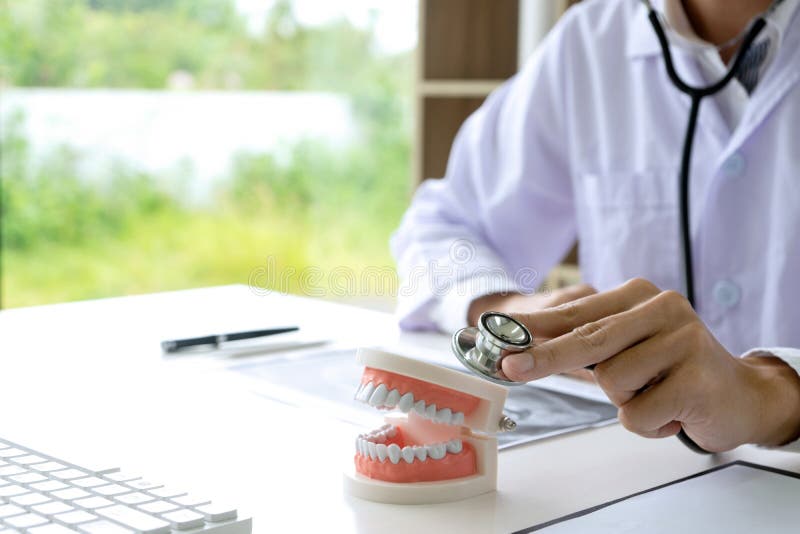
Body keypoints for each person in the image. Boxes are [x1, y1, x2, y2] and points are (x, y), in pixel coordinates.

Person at [391, 0, 800, 453]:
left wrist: (772, 395)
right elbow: (440, 225)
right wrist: (510, 309)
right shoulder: (590, 39)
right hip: (627, 480)